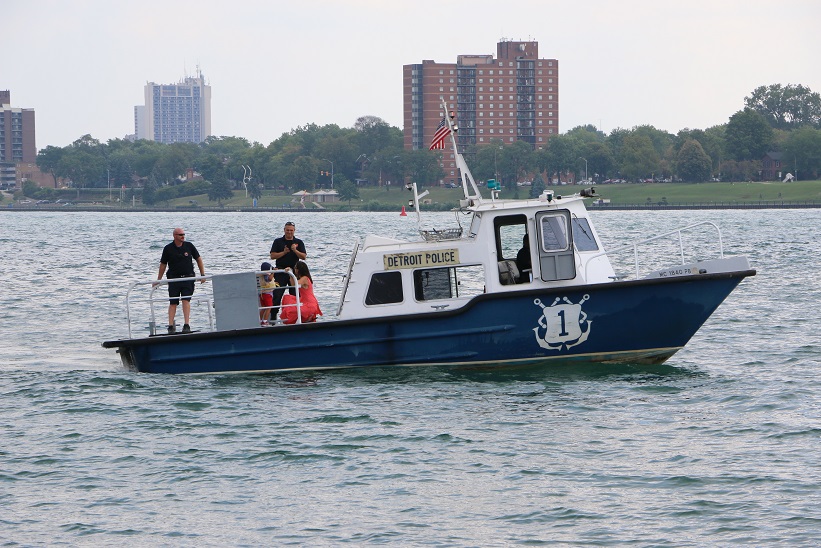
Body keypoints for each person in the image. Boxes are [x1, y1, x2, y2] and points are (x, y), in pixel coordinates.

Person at [156, 227, 206, 334]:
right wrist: (158, 279)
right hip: (174, 279)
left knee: (185, 300)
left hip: (188, 278)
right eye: (180, 235)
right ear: (175, 236)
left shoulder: (189, 246)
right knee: (173, 302)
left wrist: (202, 274)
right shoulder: (168, 248)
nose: (183, 236)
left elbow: (198, 259)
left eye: (184, 234)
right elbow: (163, 264)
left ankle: (186, 325)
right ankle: (170, 326)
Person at [269, 221, 307, 318]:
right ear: (284, 230)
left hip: (294, 272)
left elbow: (303, 257)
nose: (289, 232)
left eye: (291, 230)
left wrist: (295, 250)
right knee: (277, 295)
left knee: (295, 295)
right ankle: (273, 317)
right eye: (287, 230)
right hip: (281, 271)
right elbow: (272, 256)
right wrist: (284, 252)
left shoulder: (299, 242)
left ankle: (296, 316)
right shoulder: (278, 241)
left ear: (294, 231)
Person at [258, 261, 278, 326]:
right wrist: (273, 272)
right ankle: (265, 321)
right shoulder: (266, 275)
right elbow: (269, 279)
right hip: (267, 294)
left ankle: (260, 320)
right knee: (269, 307)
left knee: (263, 307)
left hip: (262, 294)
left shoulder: (262, 274)